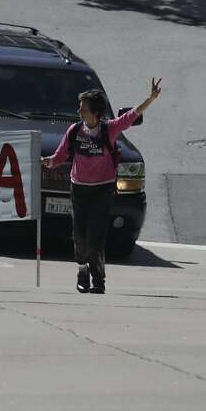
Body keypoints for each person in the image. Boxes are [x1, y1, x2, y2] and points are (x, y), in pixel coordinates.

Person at [43, 78, 162, 294]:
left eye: (83, 107)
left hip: (103, 190)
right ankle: (82, 272)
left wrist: (151, 98)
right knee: (79, 236)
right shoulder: (74, 131)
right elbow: (60, 156)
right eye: (80, 107)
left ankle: (98, 279)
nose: (79, 111)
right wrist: (48, 162)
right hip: (79, 189)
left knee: (96, 238)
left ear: (95, 112)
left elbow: (131, 115)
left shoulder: (110, 129)